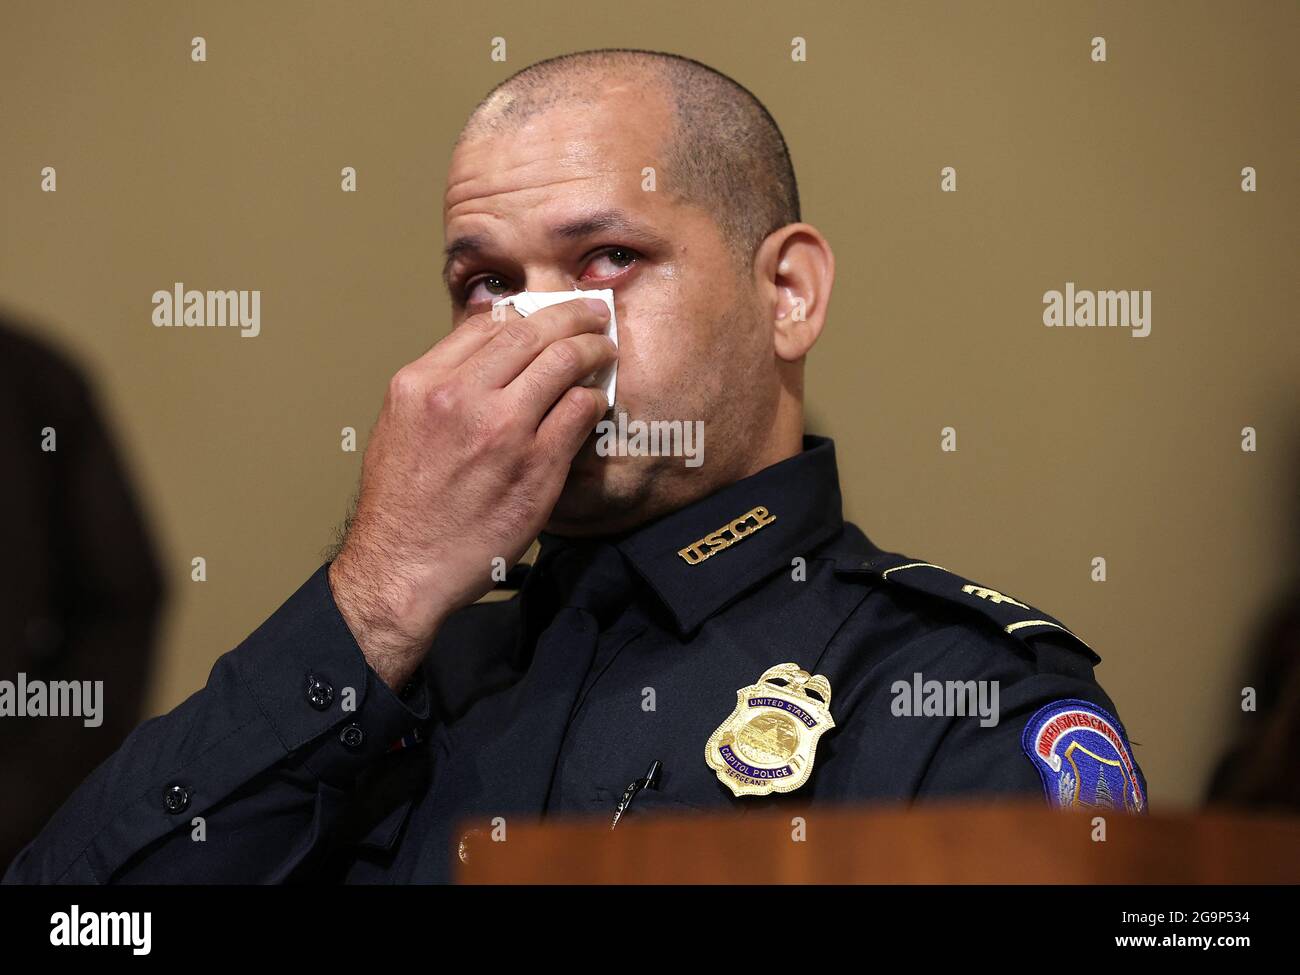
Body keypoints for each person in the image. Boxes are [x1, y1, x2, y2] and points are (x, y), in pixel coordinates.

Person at [4, 48, 1145, 885]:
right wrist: (381, 589)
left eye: (609, 257)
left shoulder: (959, 698)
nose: (550, 333)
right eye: (488, 285)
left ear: (786, 294)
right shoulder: (395, 680)